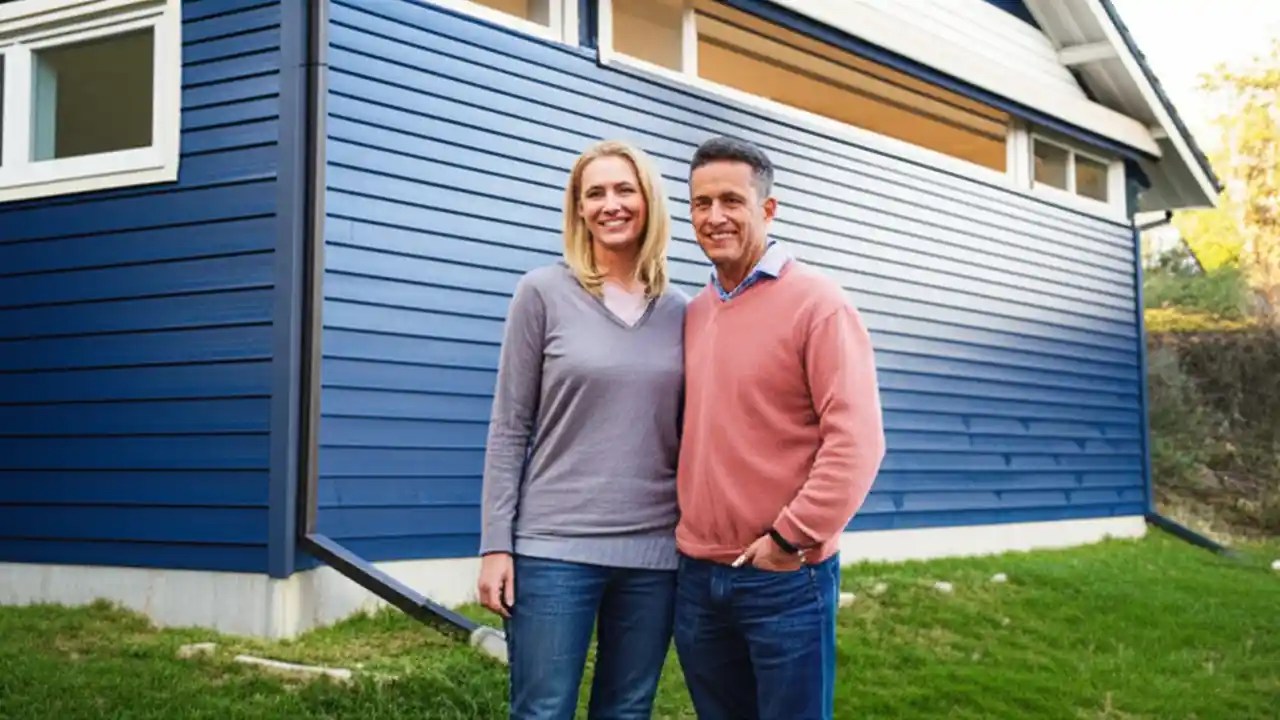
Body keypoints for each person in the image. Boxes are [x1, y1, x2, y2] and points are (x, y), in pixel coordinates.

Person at [672, 135, 887, 720]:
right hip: (698, 576)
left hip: (785, 576)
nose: (714, 216)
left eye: (731, 201)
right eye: (700, 203)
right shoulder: (694, 312)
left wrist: (791, 538)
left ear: (767, 209)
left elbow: (857, 442)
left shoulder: (818, 304)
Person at [475, 139, 687, 720]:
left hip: (655, 554)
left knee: (627, 710)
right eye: (594, 193)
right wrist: (496, 544)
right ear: (578, 209)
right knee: (543, 710)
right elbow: (509, 426)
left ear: (650, 201)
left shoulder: (682, 311)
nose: (610, 204)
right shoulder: (542, 293)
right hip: (554, 549)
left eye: (624, 190)